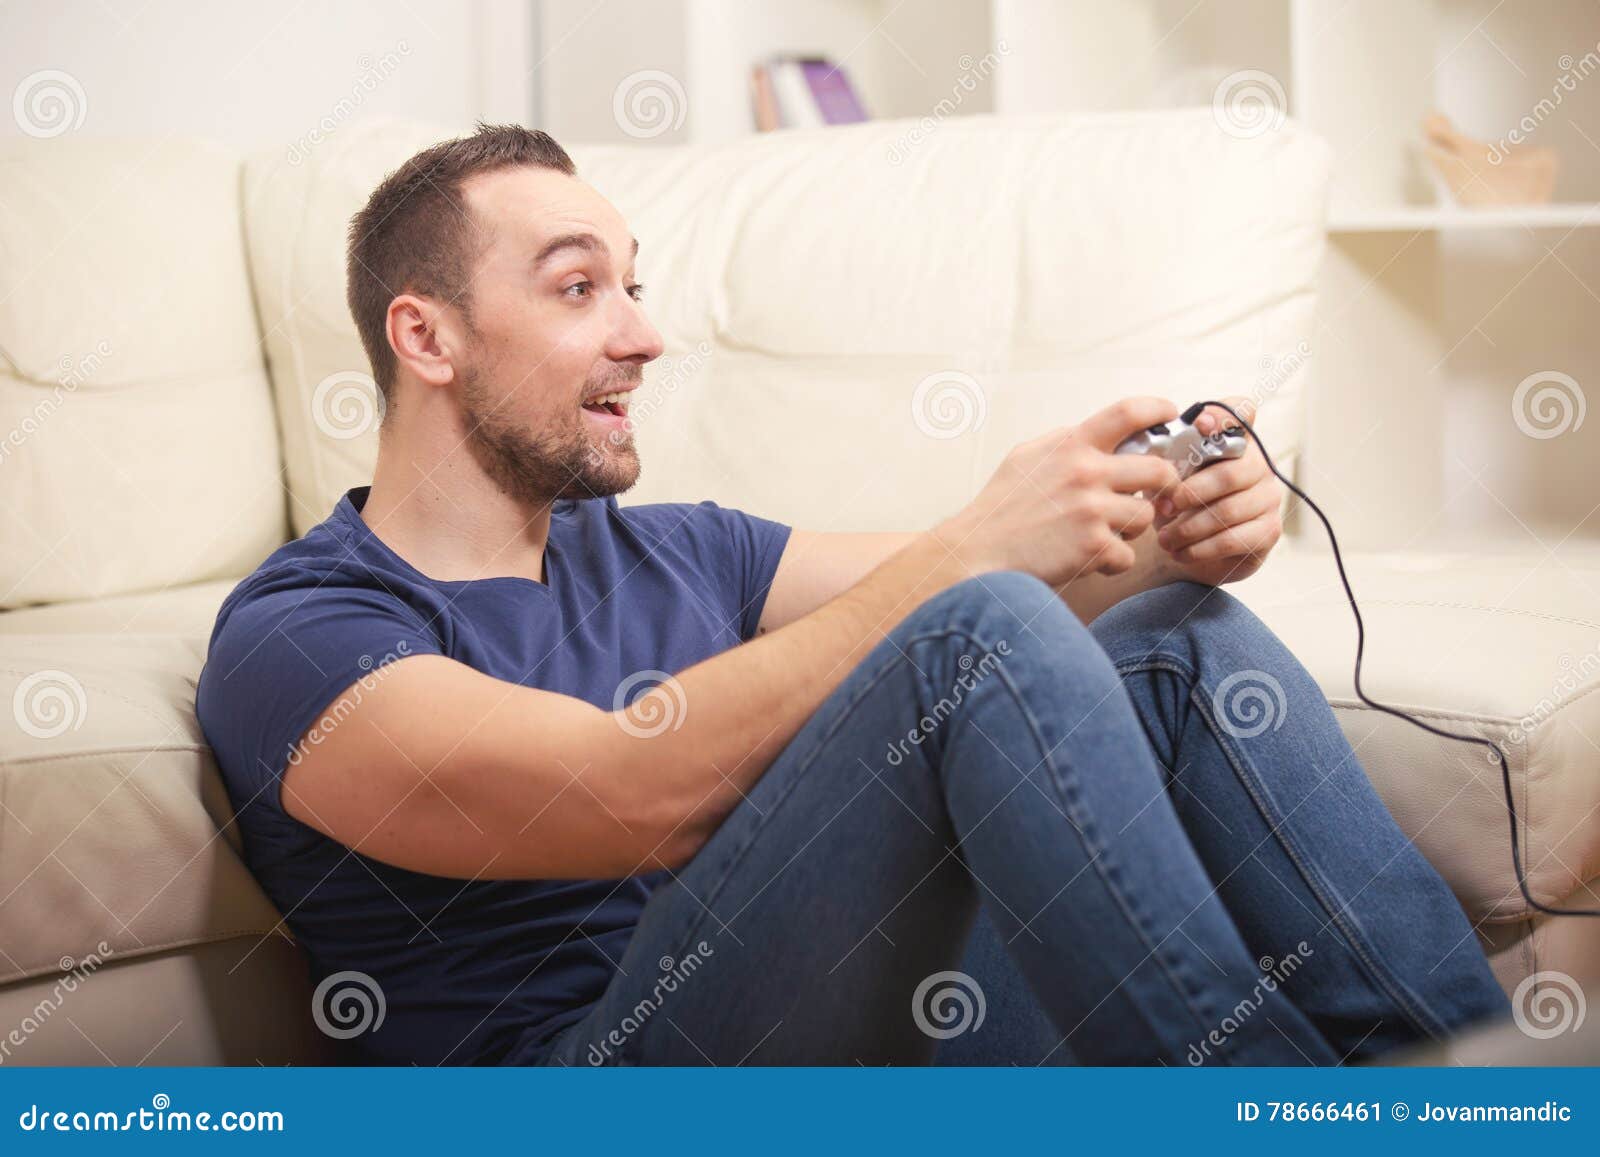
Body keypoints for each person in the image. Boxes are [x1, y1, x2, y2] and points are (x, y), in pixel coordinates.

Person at [195, 123, 1510, 1067]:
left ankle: (1464, 1071)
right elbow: (619, 791)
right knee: (976, 628)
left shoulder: (679, 550)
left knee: (1171, 639)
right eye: (579, 288)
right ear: (423, 336)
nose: (644, 333)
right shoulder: (303, 632)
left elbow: (1030, 586)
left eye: (636, 285)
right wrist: (981, 547)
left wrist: (1187, 528)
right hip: (593, 1077)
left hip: (853, 1038)